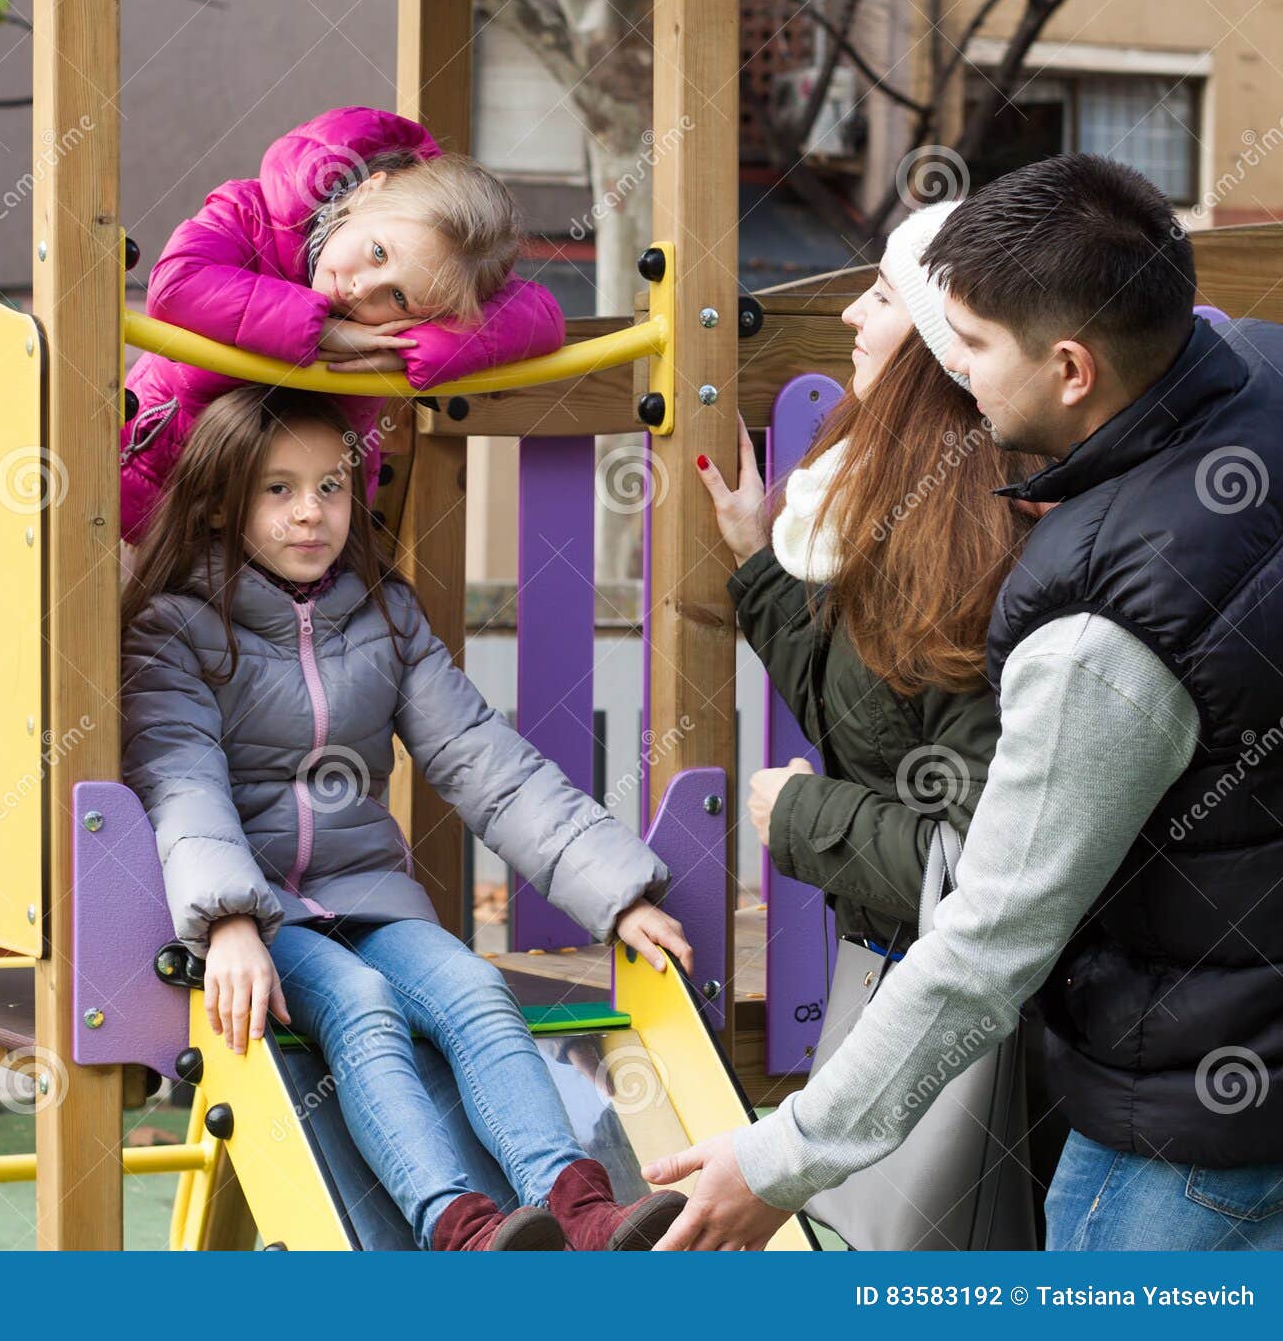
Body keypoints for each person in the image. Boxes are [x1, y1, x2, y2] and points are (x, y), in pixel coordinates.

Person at [647, 154, 1283, 1251]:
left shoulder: (1097, 622)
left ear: (1072, 368)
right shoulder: (1260, 369)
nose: (953, 370)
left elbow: (991, 936)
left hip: (1189, 1133)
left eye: (972, 347)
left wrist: (781, 1158)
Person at [120, 384, 693, 1251]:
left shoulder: (384, 619)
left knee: (475, 989)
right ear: (222, 502)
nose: (309, 514)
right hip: (265, 915)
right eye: (277, 490)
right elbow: (184, 781)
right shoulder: (179, 630)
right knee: (362, 1007)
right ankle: (456, 1226)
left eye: (330, 487)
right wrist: (229, 921)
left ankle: (581, 1207)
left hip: (369, 896)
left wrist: (617, 892)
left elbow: (486, 764)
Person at [693, 200, 1062, 1242]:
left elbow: (1003, 872)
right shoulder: (914, 519)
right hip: (902, 968)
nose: (852, 315)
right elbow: (870, 722)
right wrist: (759, 561)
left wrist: (807, 820)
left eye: (881, 294)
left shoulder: (997, 556)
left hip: (1001, 1026)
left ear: (950, 344)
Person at [120, 104, 565, 549]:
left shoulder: (425, 301)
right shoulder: (251, 212)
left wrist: (413, 349)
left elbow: (542, 320)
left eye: (398, 297)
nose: (360, 289)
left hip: (304, 536)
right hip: (155, 491)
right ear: (370, 192)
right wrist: (315, 331)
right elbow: (177, 285)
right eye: (378, 253)